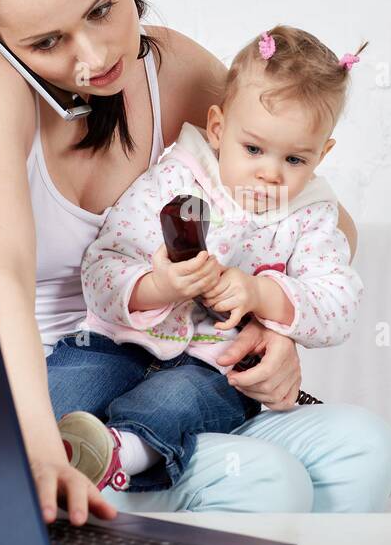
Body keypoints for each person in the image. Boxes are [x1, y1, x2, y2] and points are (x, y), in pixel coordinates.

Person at [0, 0, 391, 526]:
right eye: (47, 42)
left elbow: (318, 217)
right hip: (20, 403)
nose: (91, 57)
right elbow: (0, 280)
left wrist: (270, 321)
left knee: (364, 452)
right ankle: (96, 483)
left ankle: (134, 474)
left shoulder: (170, 67)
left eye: (101, 9)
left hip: (161, 381)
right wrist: (40, 453)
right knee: (265, 483)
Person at [51, 25, 369, 494]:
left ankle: (122, 453)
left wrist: (263, 294)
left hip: (211, 366)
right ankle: (17, 456)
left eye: (295, 160)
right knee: (62, 390)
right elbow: (102, 266)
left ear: (322, 154)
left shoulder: (312, 216)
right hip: (118, 342)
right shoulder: (178, 178)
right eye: (254, 148)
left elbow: (339, 306)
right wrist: (159, 287)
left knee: (179, 402)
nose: (270, 172)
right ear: (219, 128)